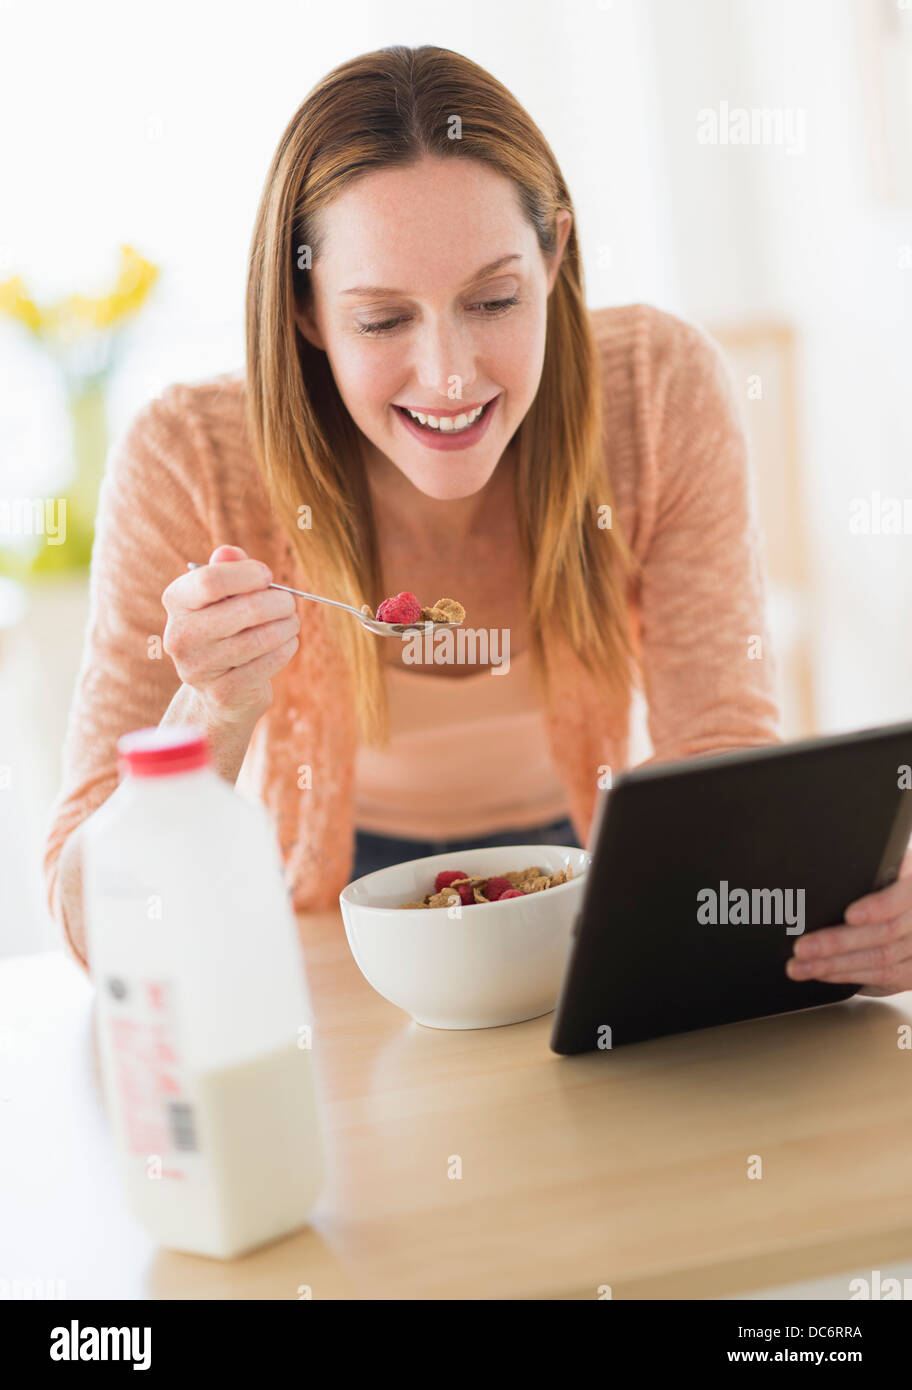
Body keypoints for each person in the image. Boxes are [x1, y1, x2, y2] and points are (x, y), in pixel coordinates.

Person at [42, 44, 912, 995]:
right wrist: (211, 711)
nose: (450, 374)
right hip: (336, 933)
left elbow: (721, 742)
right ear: (303, 309)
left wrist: (838, 913)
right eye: (381, 321)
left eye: (494, 300)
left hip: (596, 880)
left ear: (554, 254)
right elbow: (96, 925)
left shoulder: (659, 391)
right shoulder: (188, 456)